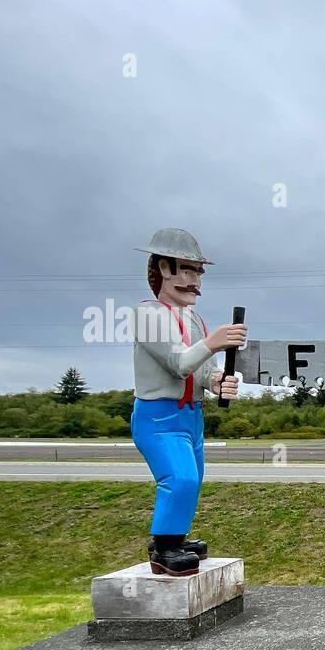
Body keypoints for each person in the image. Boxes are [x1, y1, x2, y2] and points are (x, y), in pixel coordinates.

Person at [131, 228, 246, 576]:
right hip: (159, 416)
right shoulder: (147, 314)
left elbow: (201, 371)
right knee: (178, 478)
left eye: (198, 272)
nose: (195, 280)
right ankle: (164, 548)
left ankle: (173, 537)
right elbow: (179, 363)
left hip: (191, 416)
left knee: (193, 478)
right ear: (164, 269)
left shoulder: (194, 319)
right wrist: (214, 342)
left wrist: (217, 382)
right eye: (187, 270)